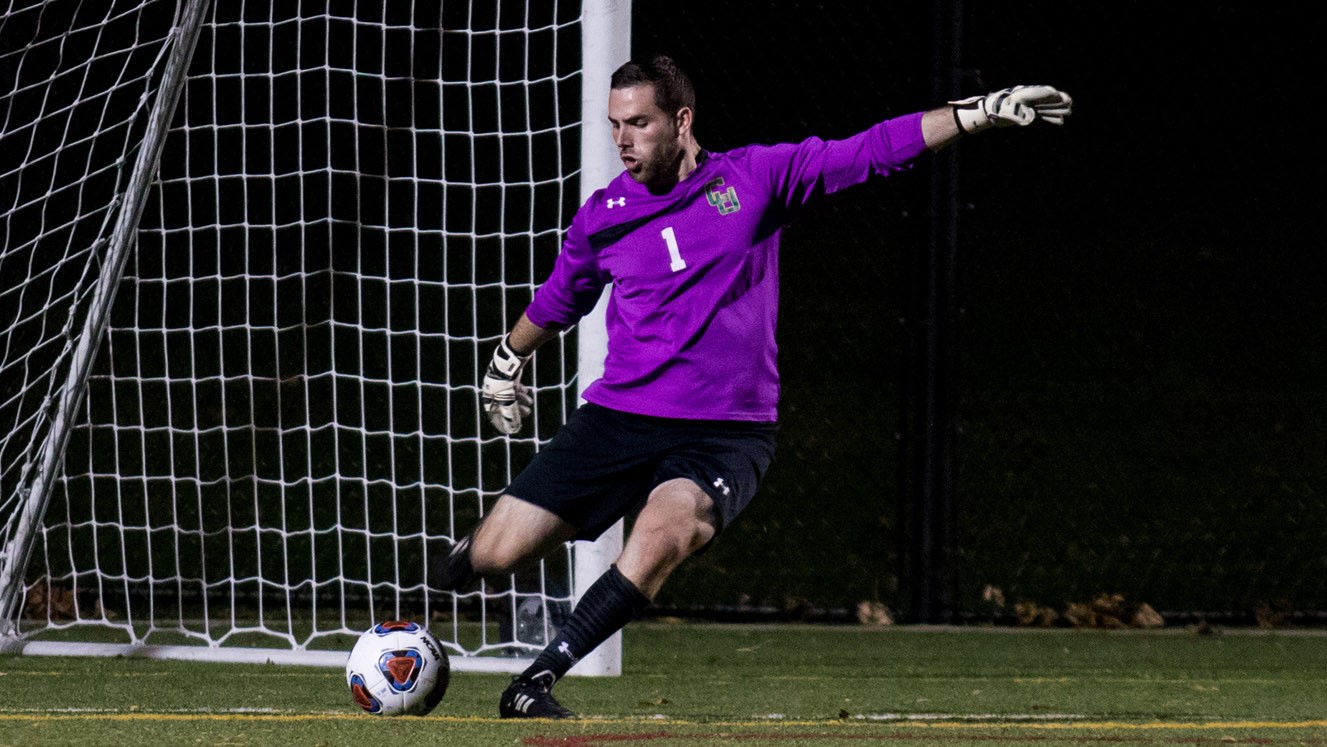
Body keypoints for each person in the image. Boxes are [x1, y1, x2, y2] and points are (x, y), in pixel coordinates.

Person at [432, 55, 1072, 719]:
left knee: (663, 532)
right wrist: (508, 359)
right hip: (618, 418)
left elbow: (871, 150)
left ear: (681, 121)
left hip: (723, 433)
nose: (622, 139)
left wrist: (973, 113)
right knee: (497, 551)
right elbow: (562, 297)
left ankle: (532, 681)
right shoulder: (603, 216)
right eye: (614, 125)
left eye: (639, 123)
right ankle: (462, 559)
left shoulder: (754, 178)